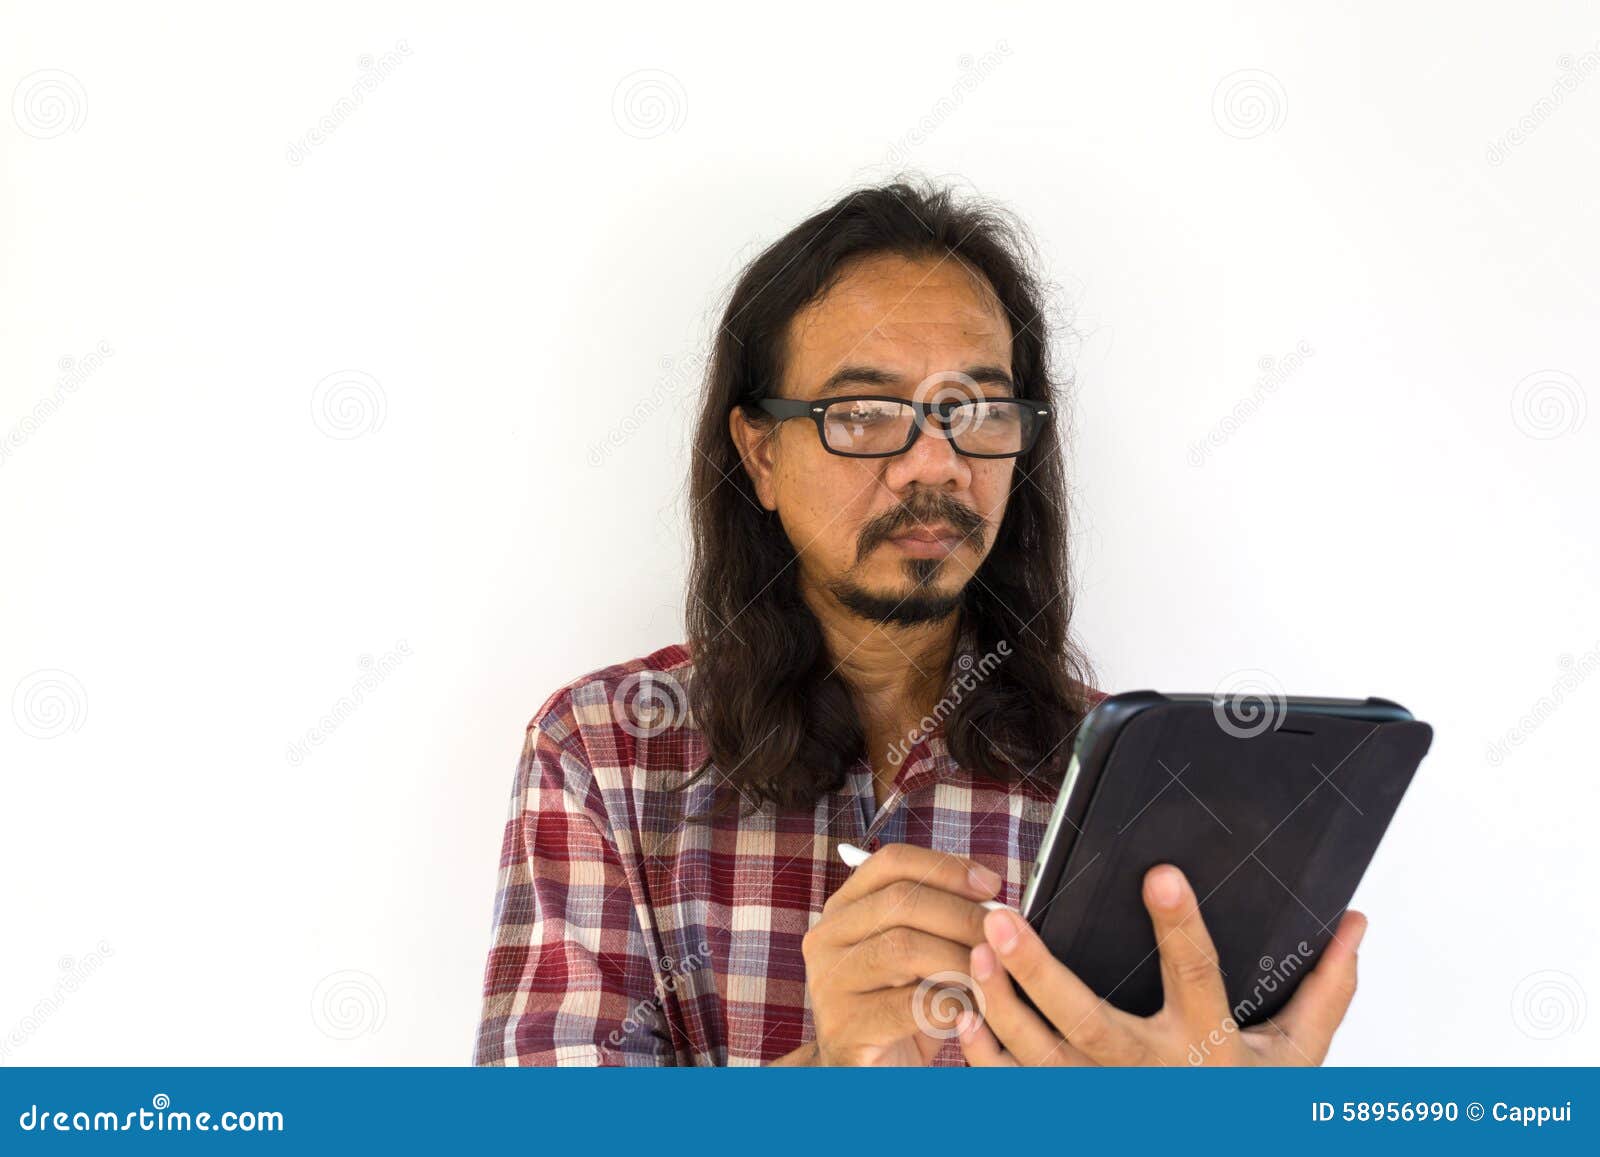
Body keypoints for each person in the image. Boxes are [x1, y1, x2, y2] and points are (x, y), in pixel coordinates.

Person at [471, 178, 1364, 1066]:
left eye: (975, 409)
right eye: (862, 413)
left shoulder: (1130, 778)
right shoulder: (607, 753)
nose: (933, 463)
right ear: (761, 455)